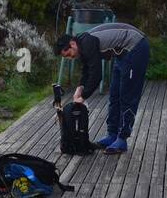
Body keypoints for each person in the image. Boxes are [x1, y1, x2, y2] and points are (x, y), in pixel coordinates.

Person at [55, 22, 149, 155]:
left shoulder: (87, 43)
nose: (70, 58)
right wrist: (80, 88)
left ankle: (122, 139)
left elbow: (96, 75)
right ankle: (112, 135)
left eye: (68, 54)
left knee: (127, 96)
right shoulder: (82, 43)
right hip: (121, 52)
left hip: (136, 47)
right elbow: (87, 70)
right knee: (114, 95)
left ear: (72, 44)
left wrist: (83, 96)